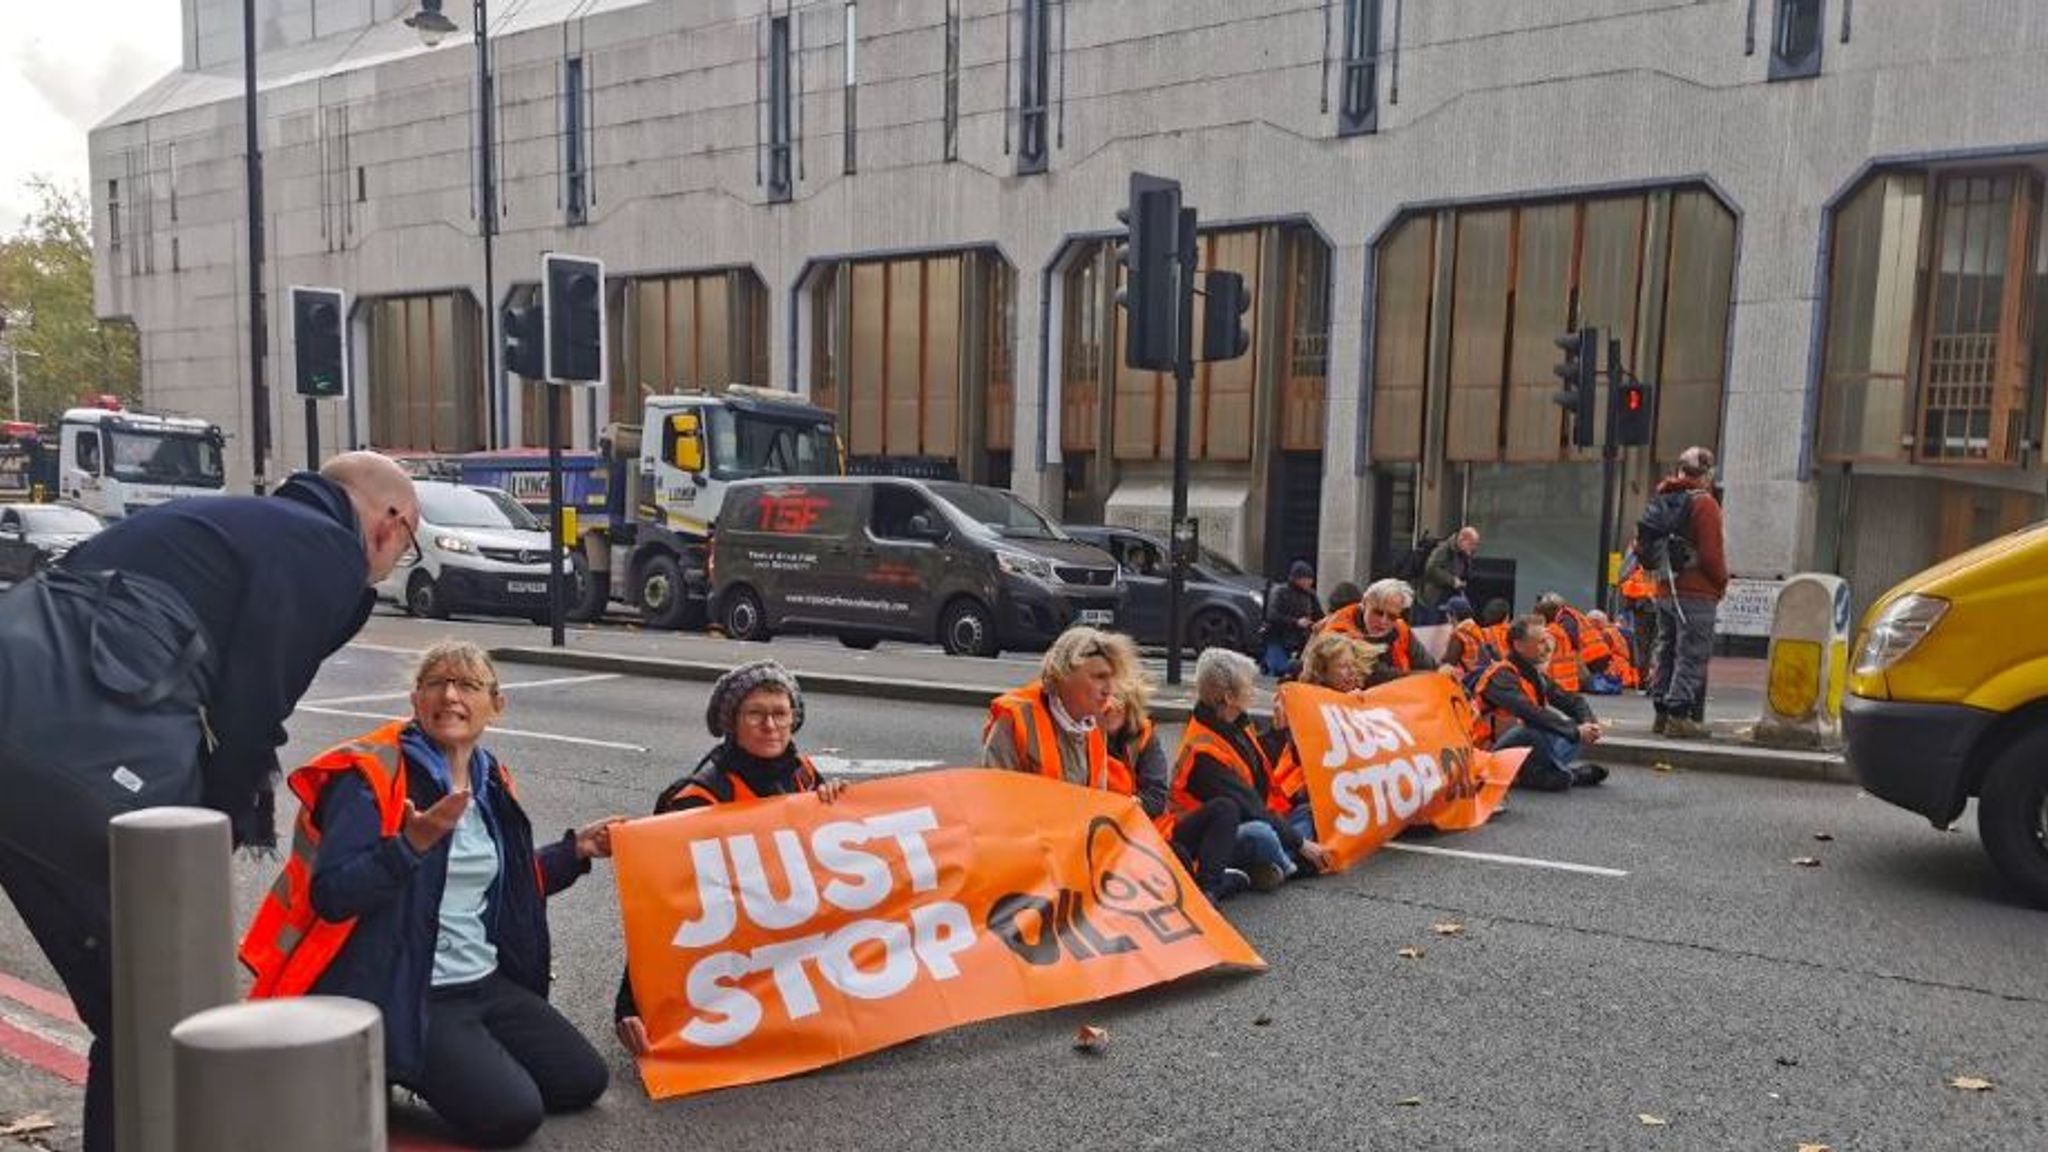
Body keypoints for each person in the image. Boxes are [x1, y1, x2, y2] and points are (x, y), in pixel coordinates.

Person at [0, 451, 420, 1152]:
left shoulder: (226, 521)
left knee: (125, 997)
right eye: (408, 543)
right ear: (388, 522)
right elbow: (253, 706)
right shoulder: (326, 552)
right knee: (152, 1004)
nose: (396, 557)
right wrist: (206, 837)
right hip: (74, 760)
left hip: (22, 709)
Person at [240, 643, 617, 1148]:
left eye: (468, 685)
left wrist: (577, 850)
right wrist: (408, 848)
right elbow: (332, 893)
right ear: (416, 700)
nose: (450, 694)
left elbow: (508, 885)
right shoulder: (373, 777)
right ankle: (390, 1063)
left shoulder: (490, 779)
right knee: (513, 1115)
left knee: (581, 1080)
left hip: (482, 980)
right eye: (436, 683)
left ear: (496, 705)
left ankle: (443, 1061)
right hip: (409, 990)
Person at [615, 660, 846, 1057]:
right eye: (755, 714)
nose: (770, 725)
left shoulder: (804, 775)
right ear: (732, 724)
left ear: (795, 718)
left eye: (780, 713)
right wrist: (630, 1007)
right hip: (731, 950)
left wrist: (840, 806)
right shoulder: (695, 799)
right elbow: (662, 912)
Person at [1171, 649, 1335, 892]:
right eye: (1248, 685)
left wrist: (1280, 732)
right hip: (1213, 838)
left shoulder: (1234, 721)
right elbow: (1251, 807)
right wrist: (1302, 843)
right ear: (1229, 697)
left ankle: (1273, 864)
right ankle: (1290, 863)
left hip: (1256, 813)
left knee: (1310, 810)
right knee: (1262, 834)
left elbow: (1258, 768)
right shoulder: (1203, 751)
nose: (1254, 690)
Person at [1469, 616, 1609, 792]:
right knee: (1531, 729)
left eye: (1547, 641)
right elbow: (1529, 712)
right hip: (1492, 757)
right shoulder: (1501, 676)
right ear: (1519, 645)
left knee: (1574, 727)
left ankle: (1548, 772)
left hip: (1528, 752)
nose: (1548, 647)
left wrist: (1589, 724)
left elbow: (1573, 701)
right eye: (1541, 642)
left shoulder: (1534, 674)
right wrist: (1573, 731)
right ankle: (1566, 774)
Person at [1268, 631, 1386, 839]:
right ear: (1323, 672)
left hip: (1344, 783)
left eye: (1352, 664)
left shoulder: (1359, 696)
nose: (1351, 672)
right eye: (1343, 666)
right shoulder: (1305, 703)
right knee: (1313, 815)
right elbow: (1303, 754)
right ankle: (1289, 851)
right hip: (1303, 785)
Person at [1649, 446, 1728, 739]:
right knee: (1691, 653)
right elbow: (1711, 555)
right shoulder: (1704, 504)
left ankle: (1660, 713)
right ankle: (1680, 716)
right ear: (1707, 473)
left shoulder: (1663, 496)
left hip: (1665, 588)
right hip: (1696, 592)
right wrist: (1720, 583)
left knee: (1666, 649)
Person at [1316, 578, 1438, 677]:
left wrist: (1442, 671)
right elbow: (1375, 674)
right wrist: (1424, 675)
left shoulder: (1401, 628)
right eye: (1378, 613)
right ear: (1364, 604)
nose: (1383, 621)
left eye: (1391, 616)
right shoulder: (1339, 630)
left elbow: (1430, 665)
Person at [1534, 591, 1612, 695]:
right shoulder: (1570, 614)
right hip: (1598, 653)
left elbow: (1571, 639)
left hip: (1592, 655)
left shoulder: (1565, 619)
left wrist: (1574, 654)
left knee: (1586, 680)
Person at [1262, 560, 1323, 677]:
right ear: (1297, 579)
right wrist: (1296, 622)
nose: (1310, 582)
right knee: (1280, 669)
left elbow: (1319, 614)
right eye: (1306, 579)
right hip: (1279, 637)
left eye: (1311, 579)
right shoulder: (1280, 591)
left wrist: (1319, 624)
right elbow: (1272, 616)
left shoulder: (1310, 595)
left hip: (1302, 639)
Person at [1419, 526, 1481, 615]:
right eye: (1472, 544)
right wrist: (1452, 580)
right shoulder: (1443, 549)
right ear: (1462, 540)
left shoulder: (1465, 553)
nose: (1474, 547)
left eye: (1476, 544)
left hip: (1453, 594)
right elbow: (1431, 568)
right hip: (1437, 595)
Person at [1439, 595, 1497, 683]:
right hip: (1483, 678)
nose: (1446, 617)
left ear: (1453, 615)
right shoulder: (1477, 629)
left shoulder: (1459, 634)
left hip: (1468, 681)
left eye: (1447, 613)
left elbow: (1449, 663)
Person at [1584, 609, 1640, 694]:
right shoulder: (1613, 631)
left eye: (1589, 622)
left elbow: (1598, 654)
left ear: (1595, 622)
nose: (1587, 625)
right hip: (1624, 673)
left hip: (1615, 672)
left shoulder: (1605, 634)